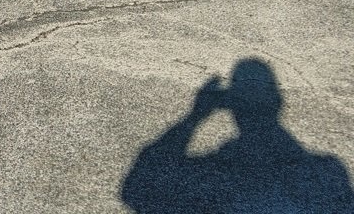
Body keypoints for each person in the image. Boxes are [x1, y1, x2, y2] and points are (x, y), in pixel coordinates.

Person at [122, 58, 354, 213]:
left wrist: (195, 116)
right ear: (278, 101)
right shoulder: (329, 170)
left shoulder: (326, 169)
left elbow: (137, 185)